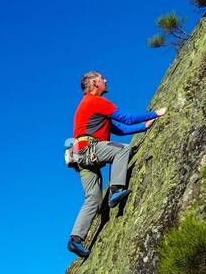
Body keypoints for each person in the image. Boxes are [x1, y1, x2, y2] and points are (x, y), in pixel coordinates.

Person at [67, 71, 167, 259]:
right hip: (90, 149)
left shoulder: (88, 107)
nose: (106, 80)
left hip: (80, 157)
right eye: (102, 78)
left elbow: (119, 129)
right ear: (95, 83)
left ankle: (75, 239)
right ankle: (115, 190)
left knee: (93, 199)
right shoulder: (95, 101)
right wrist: (156, 113)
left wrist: (143, 127)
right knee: (122, 150)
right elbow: (126, 118)